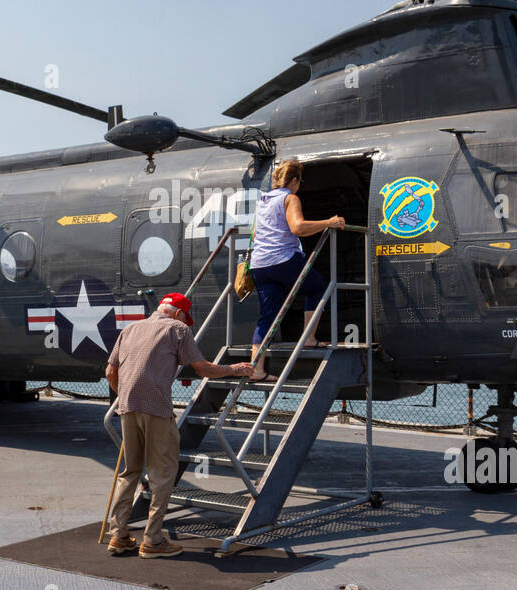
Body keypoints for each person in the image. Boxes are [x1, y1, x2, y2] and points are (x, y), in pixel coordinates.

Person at [103, 293, 253, 558]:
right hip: (157, 409)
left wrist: (125, 396)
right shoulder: (177, 329)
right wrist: (235, 369)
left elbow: (110, 373)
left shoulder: (130, 329)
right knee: (162, 473)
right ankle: (152, 540)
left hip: (127, 407)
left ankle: (118, 536)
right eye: (187, 318)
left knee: (130, 472)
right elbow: (203, 370)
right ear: (179, 314)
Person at [248, 160, 345, 381]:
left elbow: (255, 235)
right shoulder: (290, 198)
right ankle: (309, 337)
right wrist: (328, 222)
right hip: (281, 259)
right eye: (299, 182)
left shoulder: (262, 200)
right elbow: (298, 227)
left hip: (260, 264)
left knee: (268, 316)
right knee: (315, 286)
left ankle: (256, 369)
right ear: (293, 181)